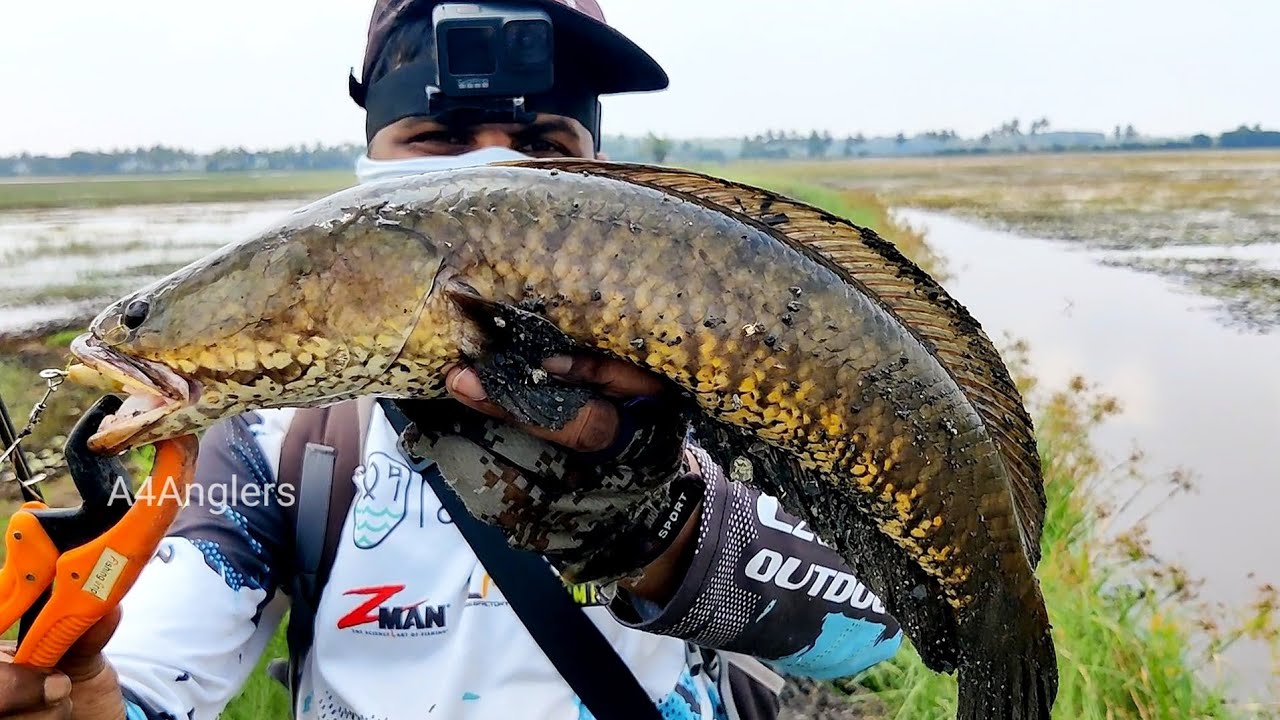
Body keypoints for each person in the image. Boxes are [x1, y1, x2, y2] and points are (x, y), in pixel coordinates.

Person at [0, 2, 903, 719]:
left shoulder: (700, 378)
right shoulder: (276, 441)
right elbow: (158, 669)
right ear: (366, 173)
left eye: (546, 146)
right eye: (434, 141)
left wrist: (653, 532)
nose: (495, 171)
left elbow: (874, 630)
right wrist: (86, 703)